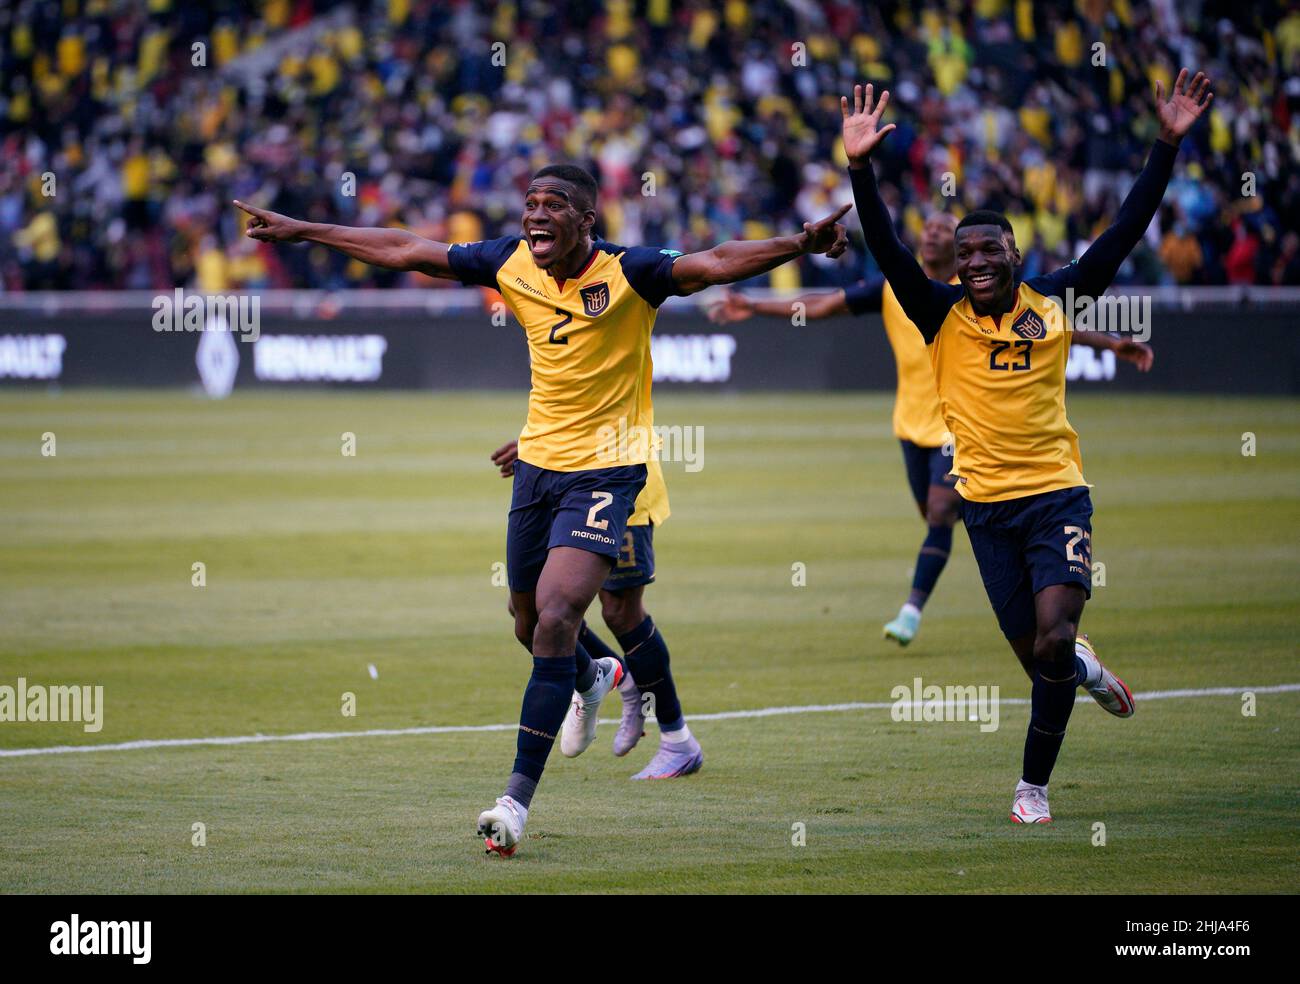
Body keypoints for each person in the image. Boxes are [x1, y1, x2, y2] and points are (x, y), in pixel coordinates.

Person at [235, 165, 851, 854]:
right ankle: (596, 675)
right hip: (536, 470)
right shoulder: (510, 261)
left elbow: (714, 263)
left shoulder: (631, 273)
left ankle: (515, 804)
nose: (537, 213)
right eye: (530, 202)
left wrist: (800, 243)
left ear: (587, 219)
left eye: (554, 203)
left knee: (564, 616)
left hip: (609, 474)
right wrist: (303, 231)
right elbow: (406, 249)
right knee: (524, 622)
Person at [840, 70, 1211, 823]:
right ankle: (1080, 669)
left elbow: (1122, 234)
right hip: (984, 508)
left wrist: (1166, 147)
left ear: (1014, 253)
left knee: (1054, 632)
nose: (973, 261)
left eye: (989, 251)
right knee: (1039, 660)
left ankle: (1031, 788)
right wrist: (859, 167)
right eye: (965, 252)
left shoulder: (1056, 298)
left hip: (1055, 496)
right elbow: (886, 248)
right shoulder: (938, 313)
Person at [707, 219, 1153, 648]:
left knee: (941, 511)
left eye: (944, 229)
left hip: (958, 430)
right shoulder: (898, 293)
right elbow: (820, 306)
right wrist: (753, 305)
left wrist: (1111, 342)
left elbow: (1048, 324)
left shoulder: (976, 300)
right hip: (909, 425)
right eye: (930, 229)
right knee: (935, 518)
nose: (934, 234)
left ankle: (913, 609)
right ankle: (1016, 559)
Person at [490, 441, 697, 779]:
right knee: (533, 607)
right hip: (566, 476)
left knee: (621, 611)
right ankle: (617, 681)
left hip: (618, 479)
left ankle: (677, 740)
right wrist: (538, 442)